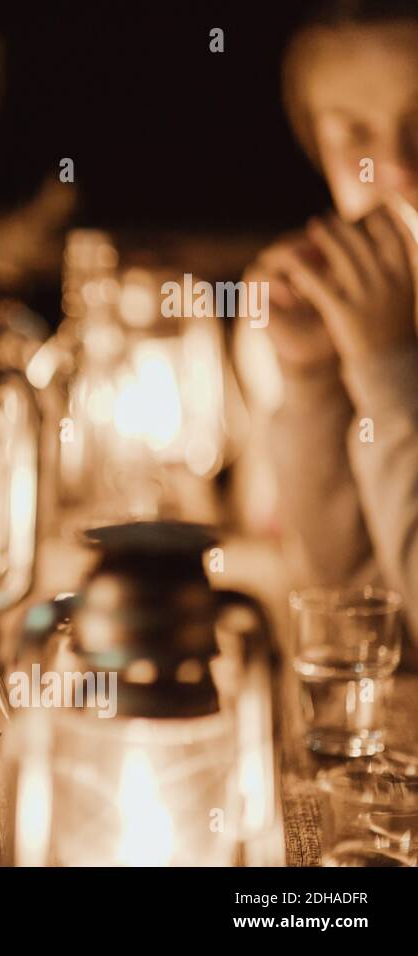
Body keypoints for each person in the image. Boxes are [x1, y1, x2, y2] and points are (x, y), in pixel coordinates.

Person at [245, 0, 418, 637]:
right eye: (355, 134)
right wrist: (313, 380)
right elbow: (359, 614)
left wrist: (387, 367)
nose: (397, 167)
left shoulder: (385, 344)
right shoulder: (340, 306)